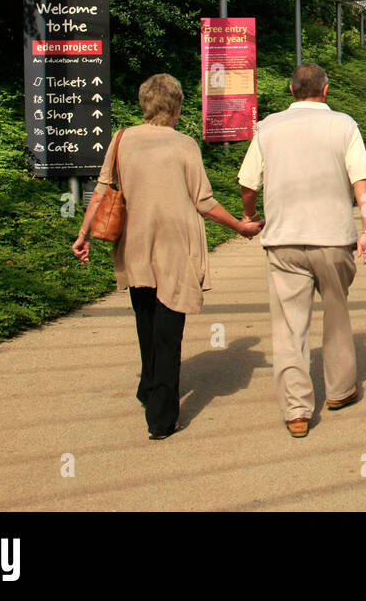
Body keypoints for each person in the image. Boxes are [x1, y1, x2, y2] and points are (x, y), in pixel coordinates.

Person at [72, 73, 262, 441]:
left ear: (145, 104)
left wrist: (83, 235)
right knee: (168, 332)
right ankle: (160, 417)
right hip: (175, 248)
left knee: (146, 321)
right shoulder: (185, 145)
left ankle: (148, 385)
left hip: (134, 245)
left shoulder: (121, 139)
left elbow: (101, 192)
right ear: (174, 107)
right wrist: (240, 227)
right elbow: (203, 201)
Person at [237, 64, 366, 439]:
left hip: (283, 241)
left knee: (288, 327)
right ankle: (339, 391)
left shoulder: (267, 128)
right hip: (333, 238)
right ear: (326, 90)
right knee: (336, 313)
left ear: (290, 89)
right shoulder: (345, 125)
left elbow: (248, 182)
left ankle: (297, 411)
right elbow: (362, 182)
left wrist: (251, 216)